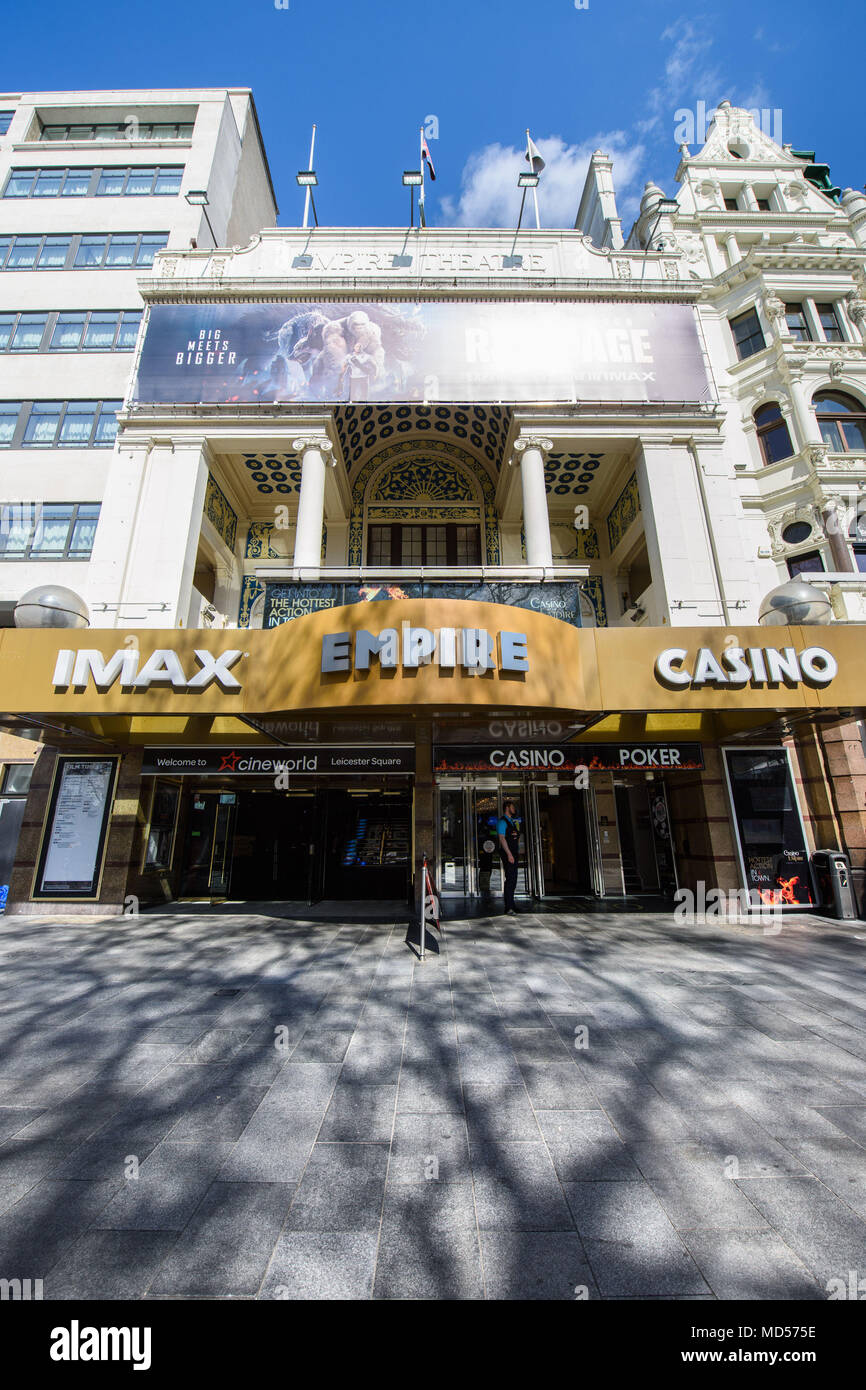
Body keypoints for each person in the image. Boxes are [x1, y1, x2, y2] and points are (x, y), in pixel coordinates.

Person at [497, 800, 521, 915]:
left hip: (514, 854)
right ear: (507, 807)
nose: (514, 809)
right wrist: (509, 854)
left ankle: (512, 904)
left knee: (514, 879)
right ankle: (508, 907)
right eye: (512, 807)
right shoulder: (502, 822)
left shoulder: (512, 821)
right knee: (510, 879)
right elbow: (502, 838)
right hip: (509, 854)